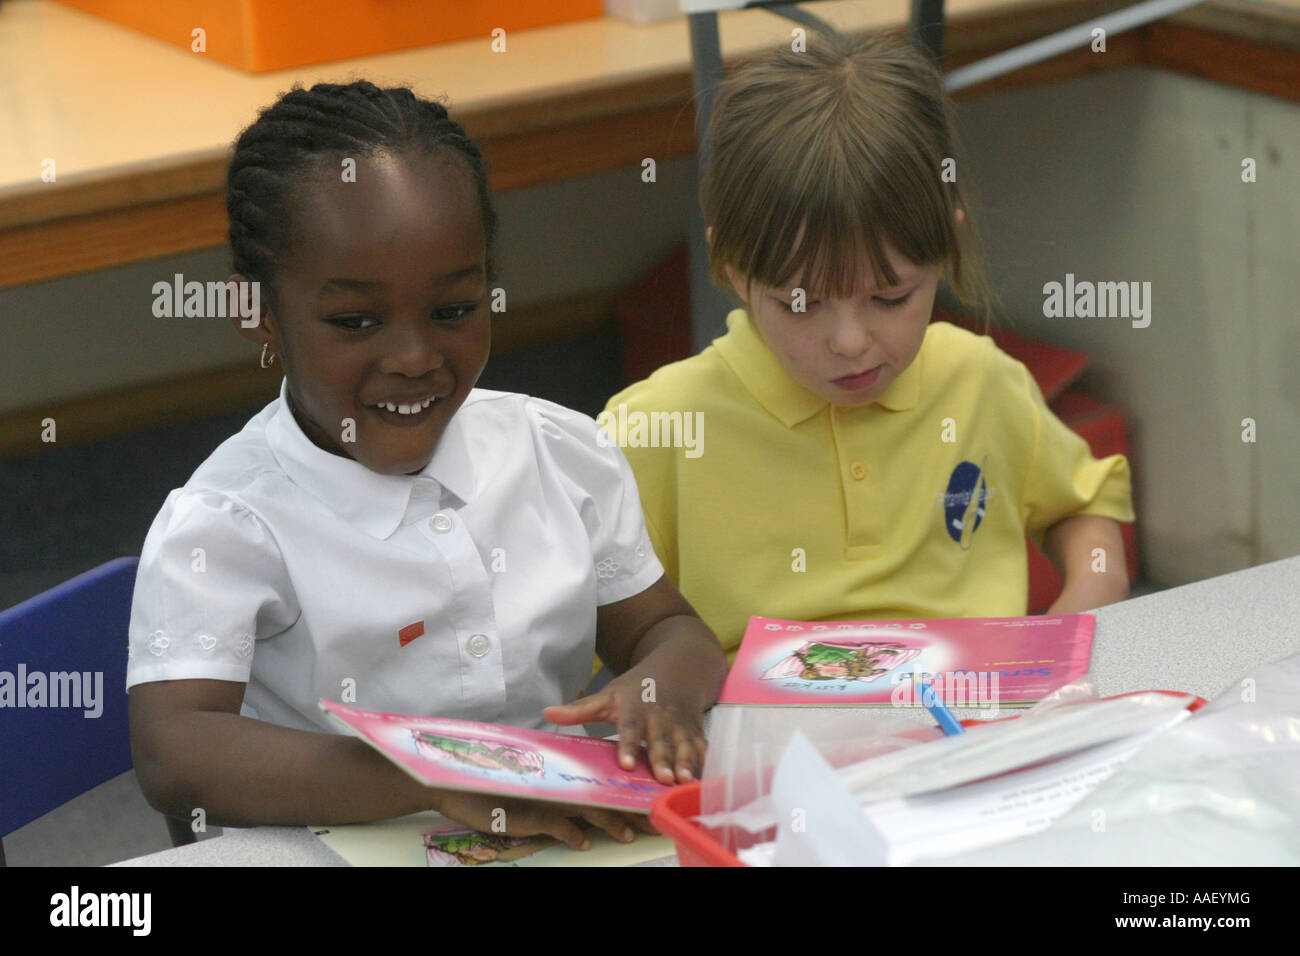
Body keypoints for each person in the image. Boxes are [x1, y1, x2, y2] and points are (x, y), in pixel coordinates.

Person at [127, 81, 727, 850]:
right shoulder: (228, 522)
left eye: (452, 311)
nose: (414, 358)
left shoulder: (558, 452)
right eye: (355, 321)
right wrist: (439, 776)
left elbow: (668, 629)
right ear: (260, 313)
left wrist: (659, 685)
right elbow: (173, 752)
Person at [602, 33, 1134, 657]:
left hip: (972, 726)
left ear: (944, 250)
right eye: (801, 304)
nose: (852, 343)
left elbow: (1084, 502)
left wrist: (1091, 593)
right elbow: (569, 622)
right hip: (760, 746)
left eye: (891, 298)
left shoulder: (980, 381)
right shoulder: (653, 427)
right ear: (733, 267)